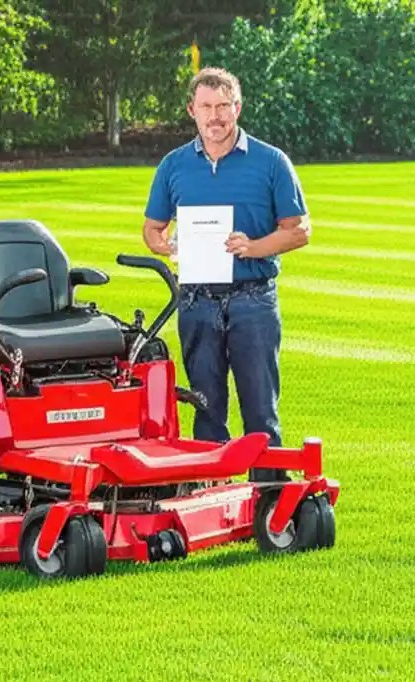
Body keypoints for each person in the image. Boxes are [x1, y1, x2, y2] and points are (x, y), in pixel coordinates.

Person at [141, 67, 310, 465]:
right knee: (206, 406)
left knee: (260, 407)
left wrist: (253, 247)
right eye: (205, 107)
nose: (214, 116)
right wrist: (167, 247)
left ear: (238, 107)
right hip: (197, 301)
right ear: (191, 111)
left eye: (222, 106)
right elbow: (151, 229)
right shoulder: (173, 165)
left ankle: (269, 498)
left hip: (253, 300)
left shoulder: (271, 162)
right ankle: (210, 497)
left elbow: (299, 230)